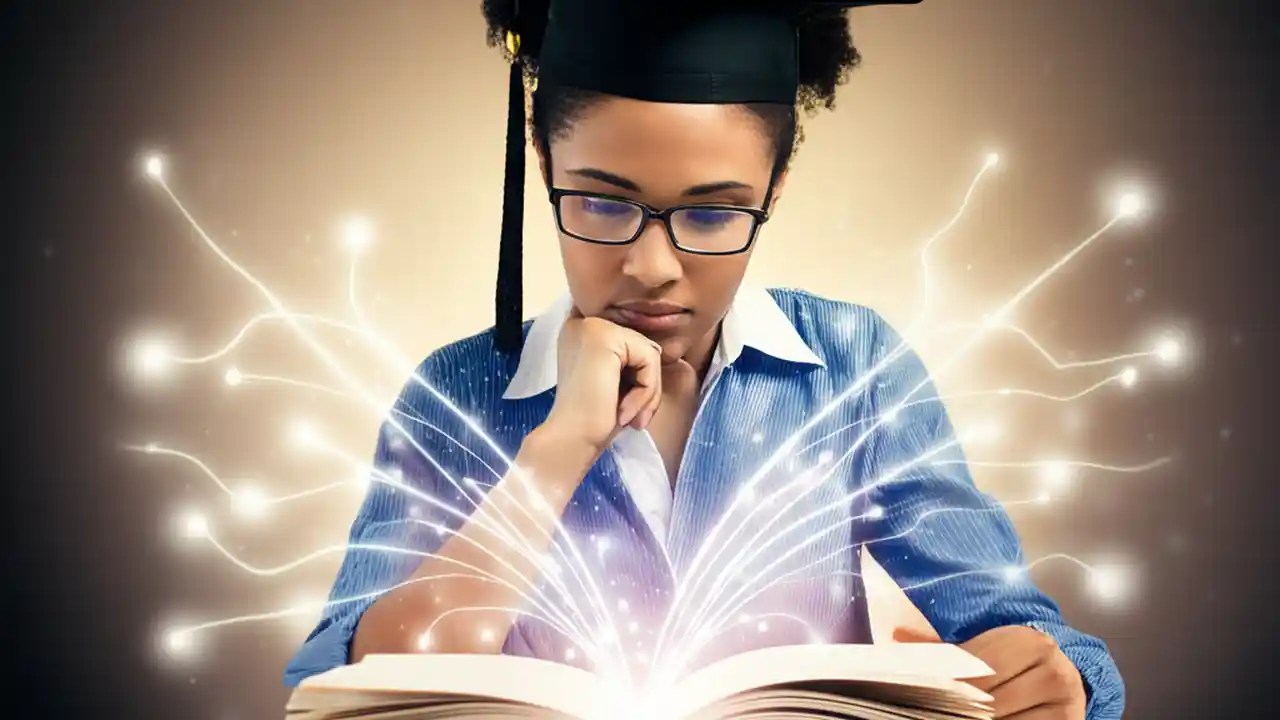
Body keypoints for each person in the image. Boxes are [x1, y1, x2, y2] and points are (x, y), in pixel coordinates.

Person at [285, 1, 1124, 718]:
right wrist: (558, 446)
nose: (651, 267)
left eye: (715, 216)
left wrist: (1048, 675)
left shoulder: (851, 367)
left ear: (777, 184)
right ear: (543, 164)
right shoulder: (458, 393)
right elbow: (347, 685)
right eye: (603, 203)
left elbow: (1023, 628)